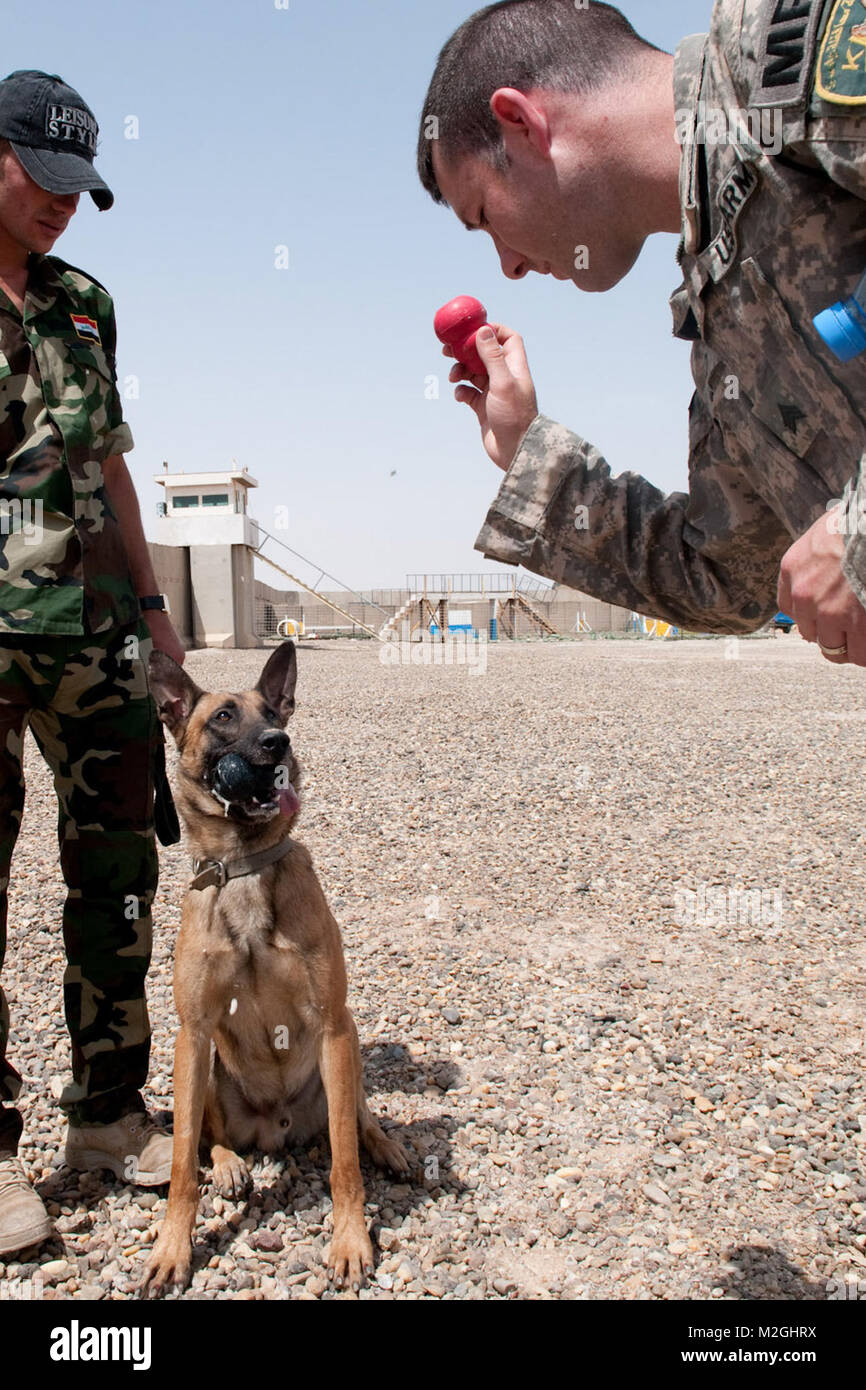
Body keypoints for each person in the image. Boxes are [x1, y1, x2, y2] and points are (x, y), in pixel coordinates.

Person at [416, 0, 866, 665]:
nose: (508, 265)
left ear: (521, 122)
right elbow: (725, 578)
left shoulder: (788, 50)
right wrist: (532, 456)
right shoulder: (720, 314)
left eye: (484, 215)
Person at [0, 70, 185, 1257]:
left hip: (96, 636)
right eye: (44, 181)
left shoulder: (83, 302)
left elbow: (112, 467)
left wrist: (162, 626)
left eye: (82, 189)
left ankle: (109, 1118)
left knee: (117, 878)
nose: (64, 206)